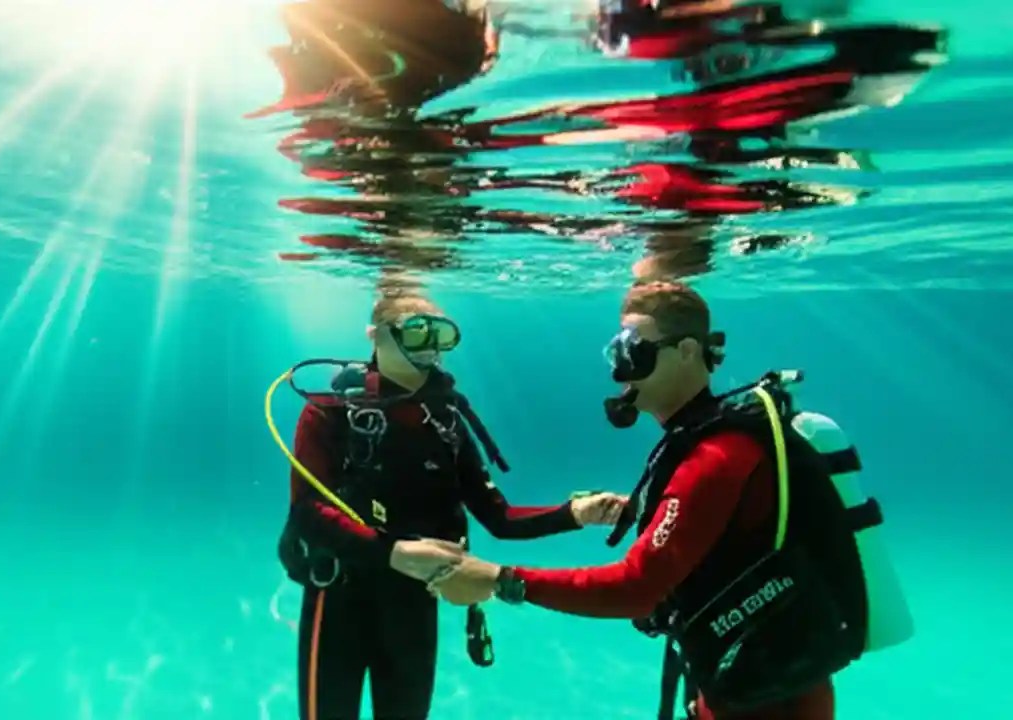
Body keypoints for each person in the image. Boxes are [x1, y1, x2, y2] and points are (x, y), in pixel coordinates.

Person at [428, 280, 913, 720]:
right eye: (615, 351)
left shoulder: (716, 455)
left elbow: (635, 589)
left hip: (763, 699)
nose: (621, 370)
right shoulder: (708, 440)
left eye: (634, 351)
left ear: (686, 352)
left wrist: (501, 580)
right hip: (765, 676)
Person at [276, 290, 627, 720]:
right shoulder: (330, 413)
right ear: (376, 336)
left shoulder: (444, 422)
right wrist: (393, 551)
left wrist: (575, 513)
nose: (431, 350)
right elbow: (309, 513)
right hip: (339, 598)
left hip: (414, 602)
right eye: (417, 332)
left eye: (440, 336)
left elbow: (499, 517)